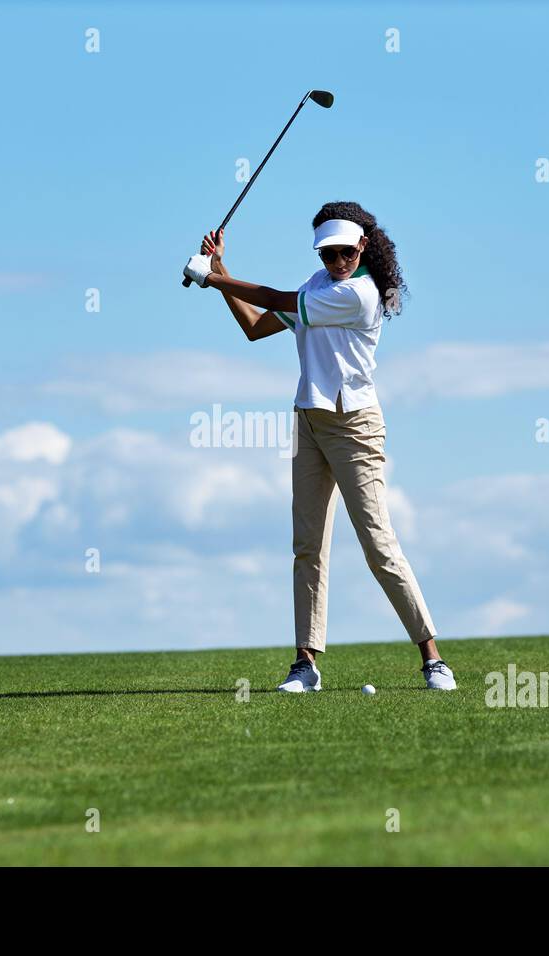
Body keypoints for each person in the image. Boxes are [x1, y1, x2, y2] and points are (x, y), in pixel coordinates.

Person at [183, 201, 455, 693]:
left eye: (344, 253)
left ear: (362, 247)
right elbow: (255, 324)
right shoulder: (317, 286)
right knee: (307, 546)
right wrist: (219, 270)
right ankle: (305, 663)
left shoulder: (361, 294)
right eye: (328, 254)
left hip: (354, 426)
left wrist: (213, 278)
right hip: (309, 420)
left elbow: (273, 296)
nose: (336, 262)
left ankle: (432, 657)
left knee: (377, 544)